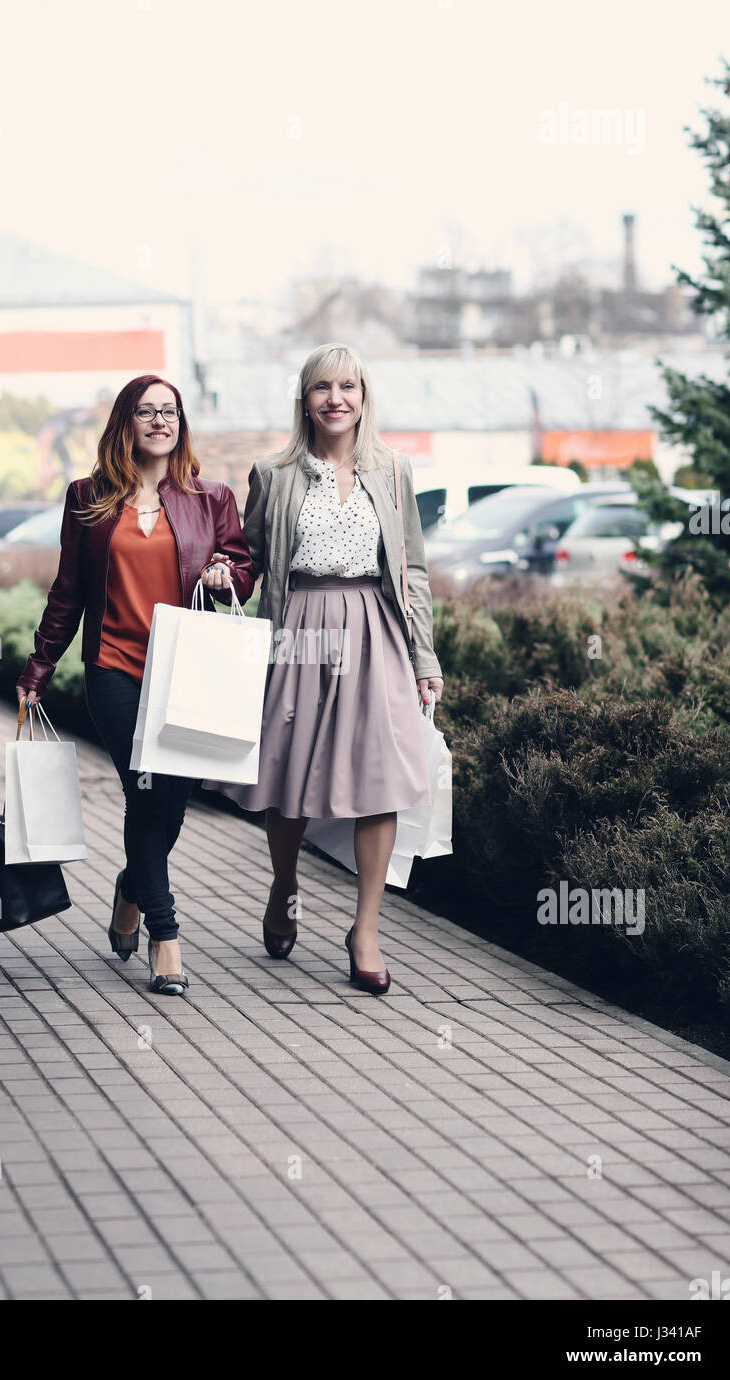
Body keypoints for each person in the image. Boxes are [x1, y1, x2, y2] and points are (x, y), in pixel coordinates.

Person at [202, 343, 444, 995]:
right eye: (322, 388)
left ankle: (364, 930)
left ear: (364, 398)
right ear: (304, 399)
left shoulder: (393, 472)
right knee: (289, 777)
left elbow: (412, 569)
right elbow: (249, 557)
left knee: (383, 779)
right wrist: (227, 573)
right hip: (299, 629)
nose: (336, 398)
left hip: (377, 633)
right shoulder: (274, 473)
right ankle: (284, 886)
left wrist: (424, 656)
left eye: (348, 386)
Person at [16, 375, 255, 994]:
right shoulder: (88, 498)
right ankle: (165, 933)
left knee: (169, 804)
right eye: (146, 411)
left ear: (182, 423)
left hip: (185, 673)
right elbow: (68, 590)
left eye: (169, 411)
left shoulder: (211, 497)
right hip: (114, 671)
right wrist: (39, 666)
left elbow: (242, 570)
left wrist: (229, 575)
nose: (159, 421)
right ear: (125, 422)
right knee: (143, 792)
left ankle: (130, 885)